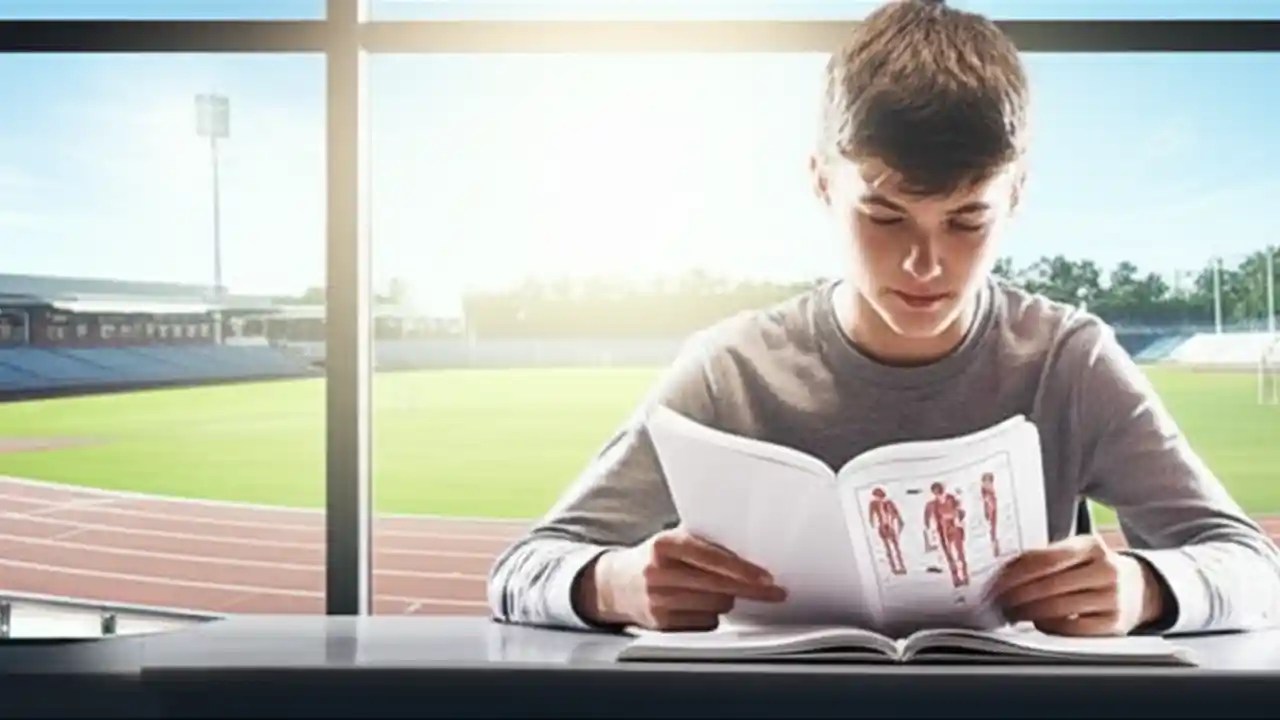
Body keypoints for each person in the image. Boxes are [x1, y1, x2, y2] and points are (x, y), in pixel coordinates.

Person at [487, 0, 1280, 637]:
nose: (925, 265)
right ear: (822, 184)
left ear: (1018, 196)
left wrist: (1147, 587)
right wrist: (612, 583)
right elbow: (524, 567)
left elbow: (1252, 569)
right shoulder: (729, 368)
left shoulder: (1068, 360)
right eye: (886, 216)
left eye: (968, 221)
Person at [923, 482, 969, 587]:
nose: (938, 495)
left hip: (954, 529)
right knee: (950, 556)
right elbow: (927, 521)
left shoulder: (951, 499)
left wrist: (953, 517)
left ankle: (964, 576)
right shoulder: (932, 504)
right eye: (936, 493)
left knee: (960, 554)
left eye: (939, 492)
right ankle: (956, 579)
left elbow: (960, 512)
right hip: (943, 532)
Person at [869, 487, 907, 575]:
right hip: (882, 526)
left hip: (890, 526)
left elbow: (896, 513)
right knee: (888, 549)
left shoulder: (889, 503)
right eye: (876, 496)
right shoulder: (873, 504)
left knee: (896, 548)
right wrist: (872, 523)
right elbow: (871, 515)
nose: (878, 498)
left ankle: (901, 566)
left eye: (879, 496)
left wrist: (899, 521)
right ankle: (894, 568)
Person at [981, 472, 1000, 556]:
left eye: (988, 482)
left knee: (993, 530)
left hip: (993, 510)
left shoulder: (991, 492)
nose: (987, 484)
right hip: (990, 511)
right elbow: (986, 504)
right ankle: (994, 546)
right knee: (992, 530)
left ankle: (995, 546)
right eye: (985, 482)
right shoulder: (985, 492)